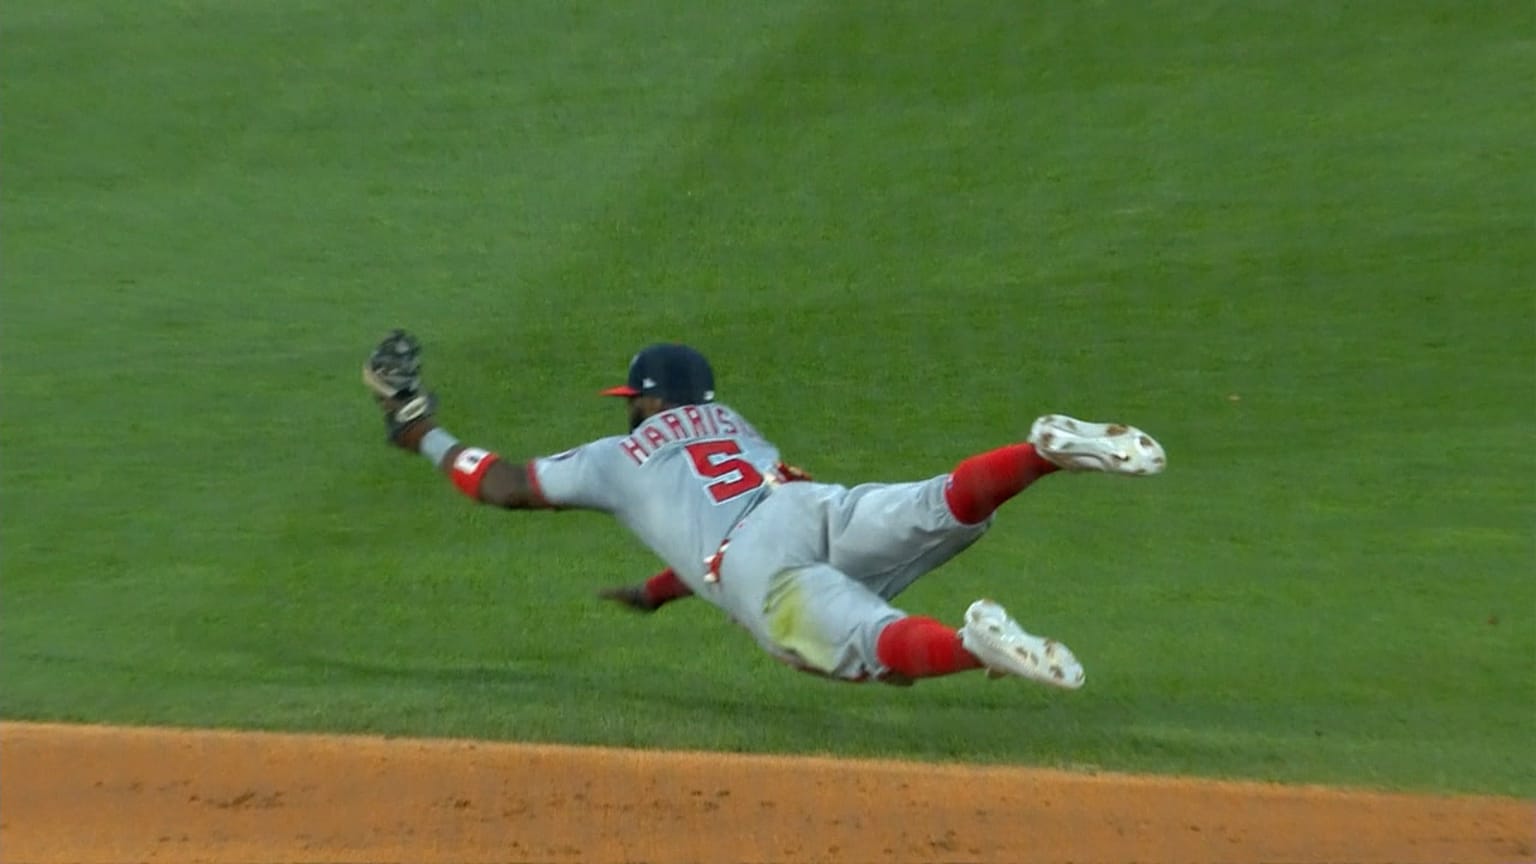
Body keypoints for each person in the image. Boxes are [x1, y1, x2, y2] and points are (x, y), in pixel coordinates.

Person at [362, 331, 1166, 688]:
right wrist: (657, 589)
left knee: (862, 646)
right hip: (805, 501)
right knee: (934, 504)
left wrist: (420, 430)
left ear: (644, 402)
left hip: (757, 564)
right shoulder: (736, 426)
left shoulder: (617, 457)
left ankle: (976, 649)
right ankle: (1042, 455)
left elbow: (503, 483)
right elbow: (708, 514)